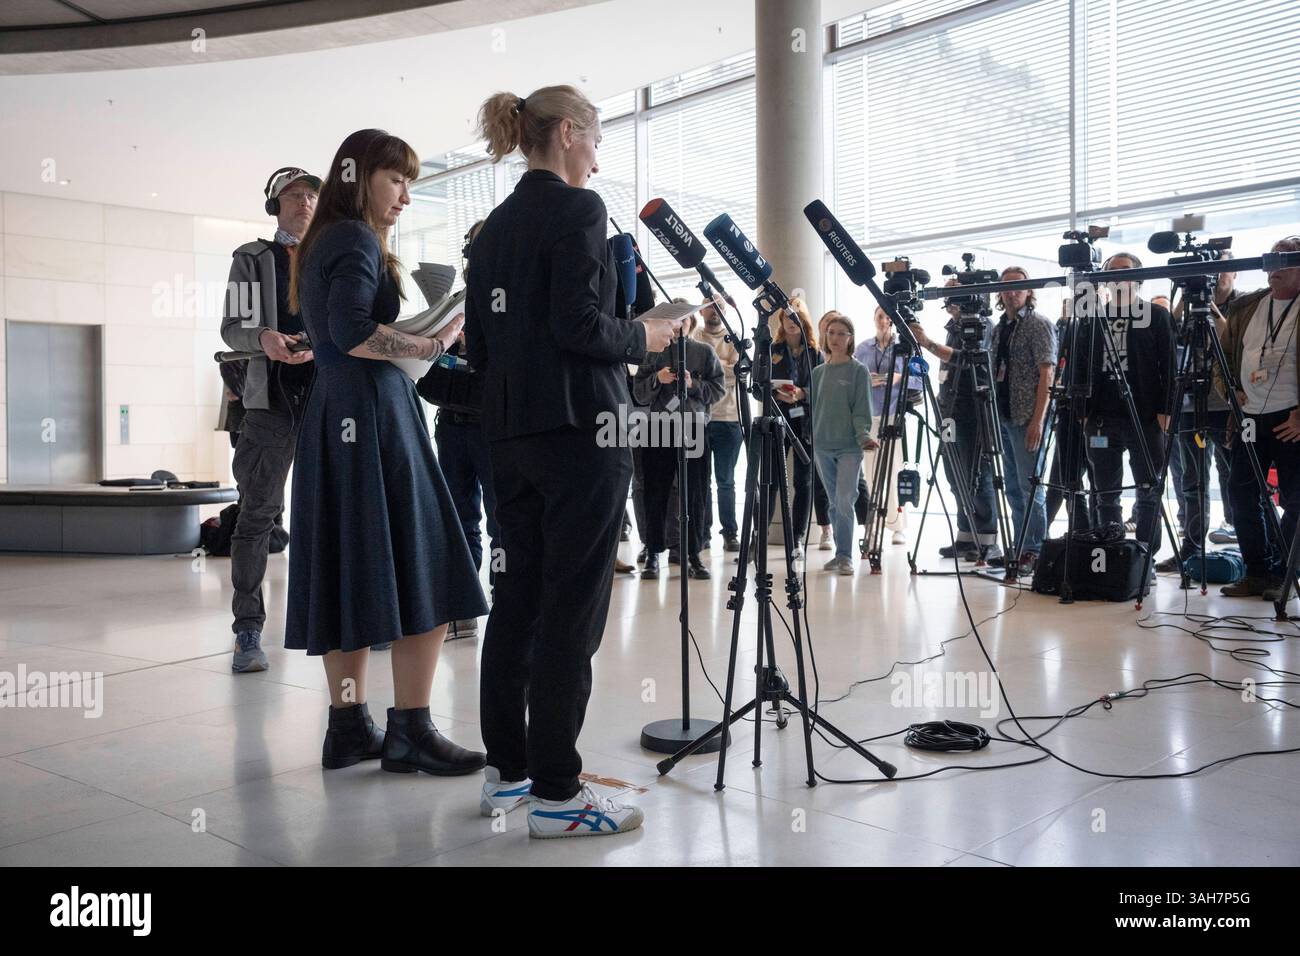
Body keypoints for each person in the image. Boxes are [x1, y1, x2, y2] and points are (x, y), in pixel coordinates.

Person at [465, 85, 680, 838]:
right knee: (573, 612)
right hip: (582, 433)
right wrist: (643, 338)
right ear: (564, 133)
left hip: (510, 436)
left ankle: (508, 774)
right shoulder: (580, 212)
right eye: (594, 137)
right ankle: (559, 793)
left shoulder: (490, 232)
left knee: (519, 597)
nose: (598, 151)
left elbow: (482, 348)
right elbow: (580, 324)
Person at [285, 129, 487, 776]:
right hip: (374, 417)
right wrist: (428, 344)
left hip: (335, 415)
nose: (405, 194)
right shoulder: (353, 237)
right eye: (395, 178)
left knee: (349, 574)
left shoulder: (325, 240)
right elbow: (351, 332)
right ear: (358, 174)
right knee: (424, 567)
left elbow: (335, 331)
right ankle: (411, 732)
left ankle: (349, 728)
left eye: (410, 181)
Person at [219, 166, 320, 673]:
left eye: (311, 196)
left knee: (338, 509)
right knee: (257, 513)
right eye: (295, 195)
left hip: (329, 398)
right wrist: (266, 339)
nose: (305, 202)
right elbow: (232, 326)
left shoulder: (332, 253)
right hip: (270, 401)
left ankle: (349, 618)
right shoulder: (252, 258)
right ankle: (248, 629)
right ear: (275, 204)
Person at [1218, 237, 1300, 599]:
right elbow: (1223, 362)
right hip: (1249, 416)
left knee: (1295, 499)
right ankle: (1257, 571)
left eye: (1285, 261)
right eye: (1271, 260)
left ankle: (1286, 574)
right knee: (1242, 494)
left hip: (1292, 419)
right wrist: (1230, 391)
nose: (1274, 268)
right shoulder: (1247, 306)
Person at [431, 220, 499, 637]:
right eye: (474, 247)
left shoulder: (510, 297)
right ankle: (464, 604)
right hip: (452, 421)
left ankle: (505, 598)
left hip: (494, 426)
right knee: (458, 518)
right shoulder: (455, 299)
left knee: (501, 520)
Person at [1084, 252, 1175, 557]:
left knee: (1148, 490)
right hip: (1102, 419)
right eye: (1112, 271)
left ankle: (1144, 556)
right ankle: (1110, 552)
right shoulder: (1093, 317)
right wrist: (1083, 413)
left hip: (1145, 418)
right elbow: (1083, 365)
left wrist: (1166, 412)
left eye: (1125, 270)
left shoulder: (1157, 315)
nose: (1118, 275)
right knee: (1105, 492)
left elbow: (1169, 367)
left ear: (1138, 276)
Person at [1157, 253, 1240, 574]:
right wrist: (1186, 296)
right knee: (1191, 481)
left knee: (1234, 478)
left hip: (1226, 405)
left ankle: (1244, 544)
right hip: (1190, 404)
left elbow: (1231, 339)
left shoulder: (1244, 304)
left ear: (1233, 273)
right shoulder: (1187, 308)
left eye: (1222, 269)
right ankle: (1190, 547)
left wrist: (1208, 306)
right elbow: (1169, 334)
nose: (1216, 275)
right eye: (1210, 269)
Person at [910, 286, 1002, 562]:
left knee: (977, 473)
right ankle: (966, 535)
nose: (949, 301)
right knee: (953, 471)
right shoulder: (953, 326)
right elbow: (946, 370)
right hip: (949, 408)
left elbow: (968, 360)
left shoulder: (984, 325)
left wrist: (927, 343)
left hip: (973, 409)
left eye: (955, 295)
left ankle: (986, 538)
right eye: (948, 295)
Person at [633, 312, 725, 579]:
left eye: (682, 320)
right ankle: (652, 553)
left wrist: (692, 384)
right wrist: (656, 379)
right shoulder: (651, 353)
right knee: (655, 493)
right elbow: (638, 392)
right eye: (672, 320)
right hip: (657, 428)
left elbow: (718, 389)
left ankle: (694, 553)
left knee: (695, 493)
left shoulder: (704, 352)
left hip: (693, 428)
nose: (677, 325)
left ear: (690, 323)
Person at [992, 267, 1056, 573]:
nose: (1011, 292)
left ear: (1029, 291)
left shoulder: (1039, 325)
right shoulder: (999, 328)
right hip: (1003, 417)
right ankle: (1020, 545)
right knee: (1013, 488)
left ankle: (1035, 549)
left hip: (1027, 417)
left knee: (1031, 487)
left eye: (1018, 287)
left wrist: (1038, 421)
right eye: (1006, 287)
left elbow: (1048, 373)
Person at [812, 314, 876, 573]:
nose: (836, 338)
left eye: (841, 334)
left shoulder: (858, 371)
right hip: (822, 445)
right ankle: (840, 554)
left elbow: (862, 409)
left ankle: (846, 555)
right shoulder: (818, 373)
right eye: (831, 333)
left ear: (850, 339)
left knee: (844, 500)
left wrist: (863, 436)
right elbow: (816, 407)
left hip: (850, 446)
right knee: (832, 502)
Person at [763, 298, 825, 561]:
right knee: (772, 481)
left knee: (803, 481)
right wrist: (777, 393)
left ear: (804, 321)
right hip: (778, 417)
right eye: (787, 316)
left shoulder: (815, 353)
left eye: (796, 316)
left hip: (805, 422)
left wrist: (802, 394)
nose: (791, 321)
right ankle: (759, 536)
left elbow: (823, 389)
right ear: (781, 320)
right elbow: (760, 386)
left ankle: (797, 538)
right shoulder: (771, 349)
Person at [854, 306, 920, 546]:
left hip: (894, 416)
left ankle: (897, 525)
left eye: (888, 316)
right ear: (874, 319)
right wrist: (866, 381)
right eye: (880, 316)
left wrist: (899, 378)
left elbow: (919, 380)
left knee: (894, 471)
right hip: (869, 416)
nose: (884, 321)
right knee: (871, 473)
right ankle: (875, 524)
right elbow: (853, 378)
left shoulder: (905, 348)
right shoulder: (862, 348)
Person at [694, 297, 744, 553]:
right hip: (699, 419)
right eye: (710, 306)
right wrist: (720, 368)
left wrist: (708, 369)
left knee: (726, 481)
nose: (715, 311)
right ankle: (703, 533)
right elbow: (692, 372)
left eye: (720, 307)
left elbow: (738, 372)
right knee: (702, 481)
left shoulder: (735, 337)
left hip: (729, 419)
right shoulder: (693, 335)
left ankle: (730, 533)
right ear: (701, 310)